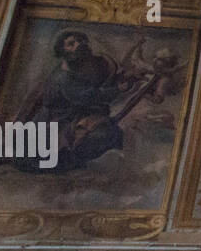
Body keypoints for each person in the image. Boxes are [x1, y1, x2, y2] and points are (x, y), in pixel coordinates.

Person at [15, 30, 124, 173]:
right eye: (71, 44)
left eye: (81, 41)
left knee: (112, 133)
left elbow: (95, 86)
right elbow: (87, 96)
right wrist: (118, 89)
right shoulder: (63, 77)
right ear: (62, 50)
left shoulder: (75, 70)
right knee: (107, 134)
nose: (79, 45)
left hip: (68, 120)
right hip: (54, 126)